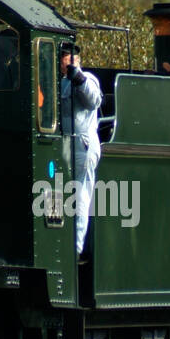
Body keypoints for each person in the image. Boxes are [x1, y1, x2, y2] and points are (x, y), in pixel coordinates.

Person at [61, 45, 102, 255]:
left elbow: (94, 100)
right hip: (65, 145)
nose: (65, 62)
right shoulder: (61, 83)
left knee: (80, 196)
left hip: (82, 145)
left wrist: (79, 79)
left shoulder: (87, 78)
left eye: (68, 58)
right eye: (63, 59)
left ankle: (75, 250)